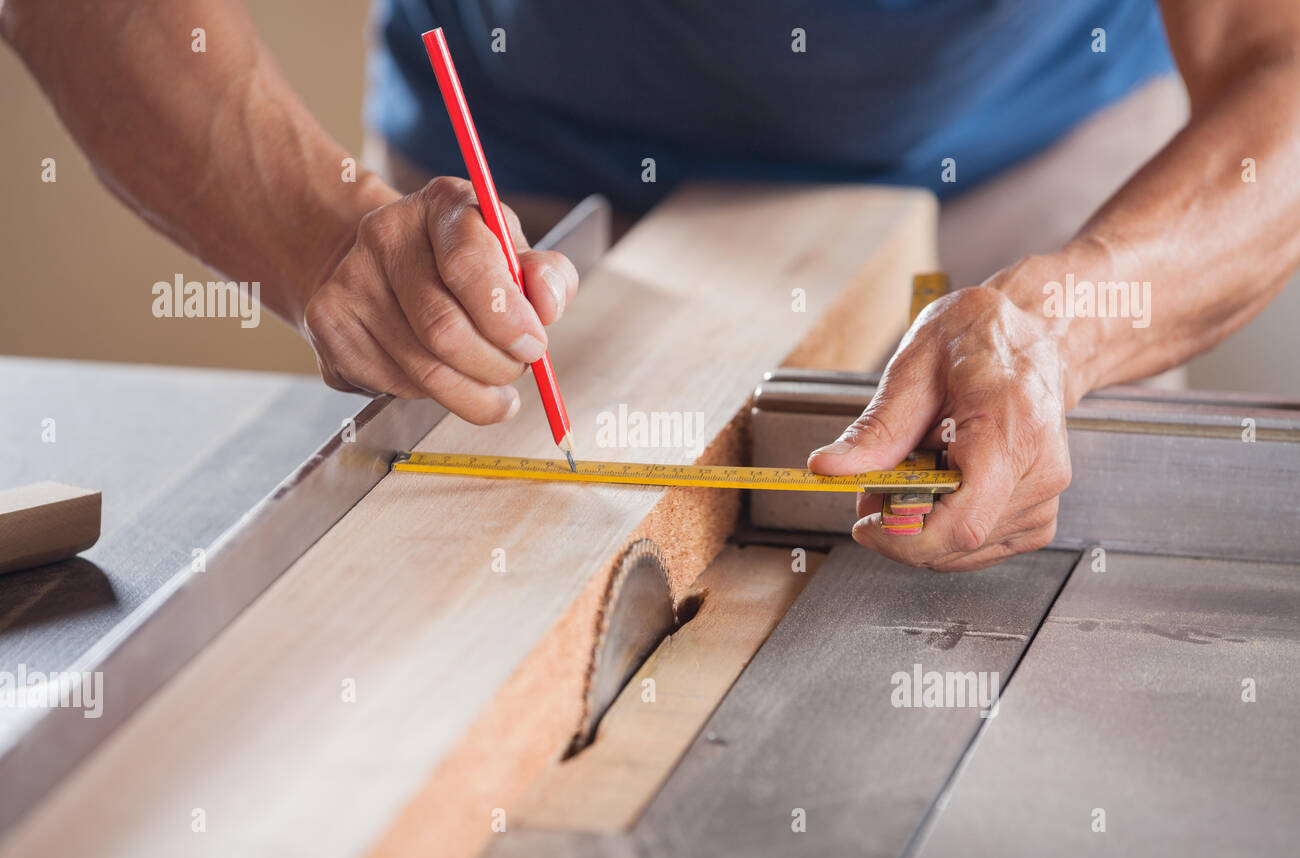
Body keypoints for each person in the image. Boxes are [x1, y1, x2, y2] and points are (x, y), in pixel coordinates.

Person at [5, 1, 1298, 571]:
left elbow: (1279, 53)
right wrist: (320, 241)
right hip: (515, 210)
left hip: (1041, 161)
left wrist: (1060, 323)